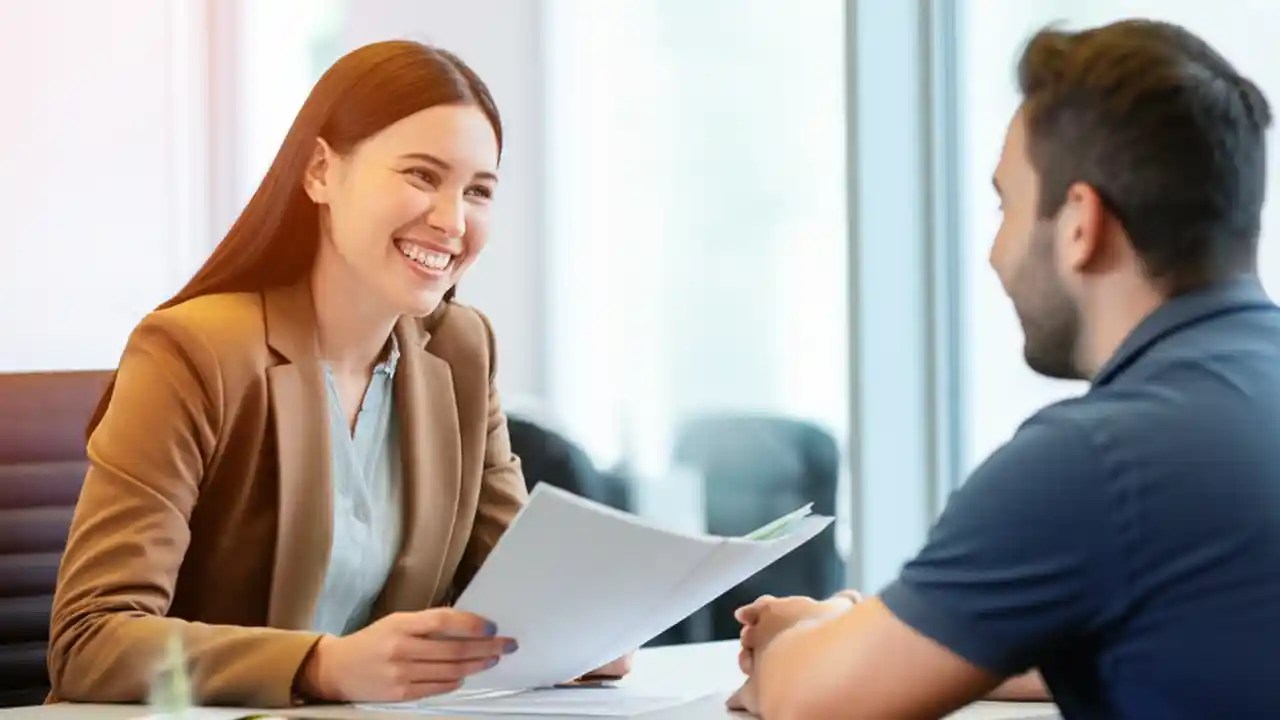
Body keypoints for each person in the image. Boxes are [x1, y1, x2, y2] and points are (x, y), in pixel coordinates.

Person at [46, 40, 627, 708]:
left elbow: (520, 589)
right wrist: (321, 666)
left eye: (478, 191)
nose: (451, 219)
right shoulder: (194, 351)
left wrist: (583, 630)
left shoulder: (462, 352)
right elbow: (89, 642)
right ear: (321, 172)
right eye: (420, 175)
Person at [728, 19, 1280, 719]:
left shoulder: (1096, 461)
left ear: (1080, 223)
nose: (994, 251)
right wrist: (857, 624)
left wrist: (798, 640)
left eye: (1006, 204)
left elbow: (815, 700)